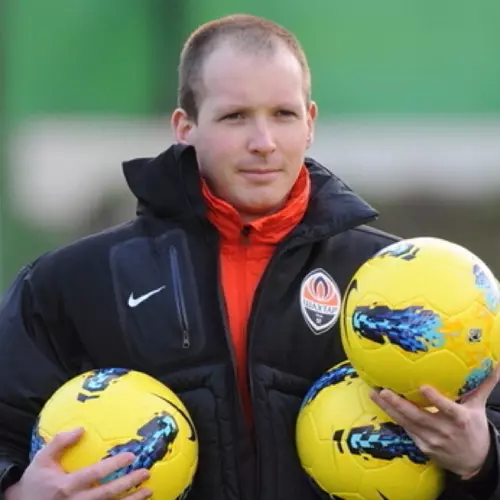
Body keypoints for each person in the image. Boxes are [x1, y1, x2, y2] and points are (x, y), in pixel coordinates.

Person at [0, 13, 499, 500]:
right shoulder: (77, 280)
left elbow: (486, 420)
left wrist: (483, 456)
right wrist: (20, 490)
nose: (263, 143)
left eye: (283, 114)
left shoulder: (398, 281)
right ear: (185, 127)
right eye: (235, 116)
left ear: (310, 122)